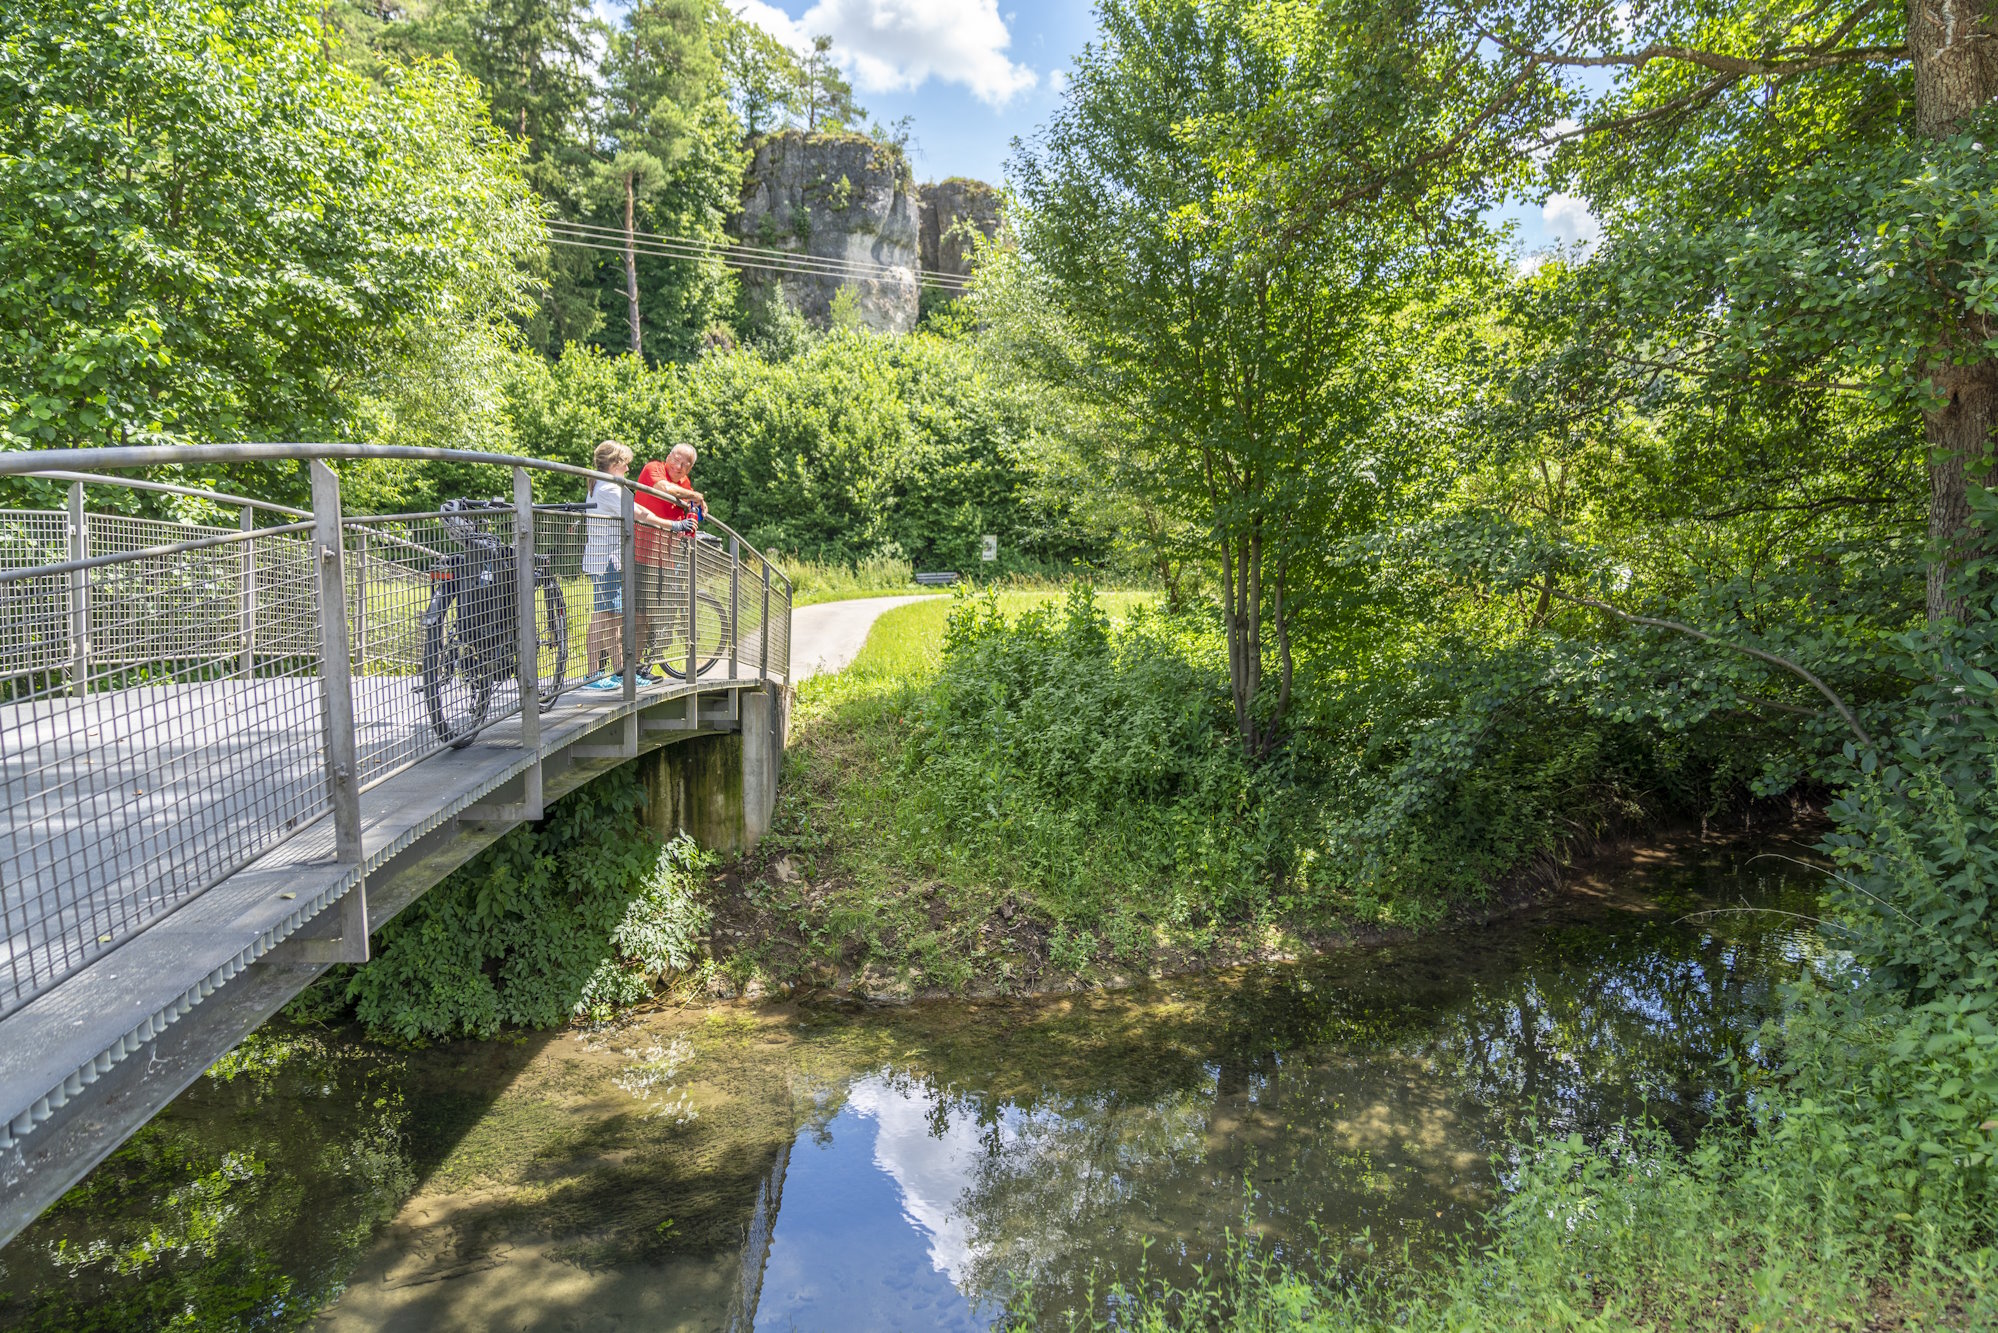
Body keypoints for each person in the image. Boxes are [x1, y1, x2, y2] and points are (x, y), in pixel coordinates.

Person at [583, 440, 694, 691]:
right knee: (602, 617)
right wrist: (673, 526)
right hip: (604, 562)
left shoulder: (608, 485)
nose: (628, 469)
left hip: (612, 560)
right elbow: (639, 513)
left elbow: (639, 508)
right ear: (614, 463)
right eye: (625, 464)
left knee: (613, 618)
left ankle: (621, 672)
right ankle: (592, 675)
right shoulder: (607, 489)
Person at [632, 443, 705, 670]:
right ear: (668, 456)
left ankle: (646, 666)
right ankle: (633, 666)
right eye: (676, 459)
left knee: (661, 612)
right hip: (642, 551)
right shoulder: (653, 468)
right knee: (642, 612)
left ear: (690, 468)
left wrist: (697, 506)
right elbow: (663, 487)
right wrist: (695, 495)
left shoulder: (685, 483)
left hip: (667, 555)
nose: (679, 466)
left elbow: (692, 507)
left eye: (686, 464)